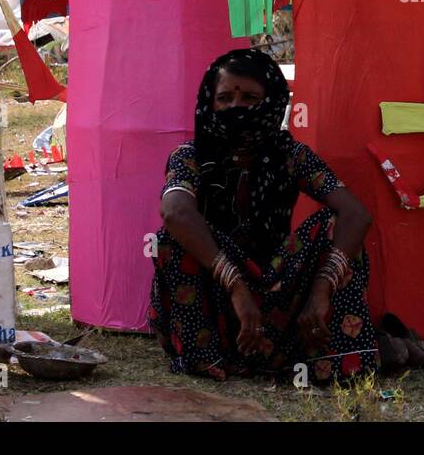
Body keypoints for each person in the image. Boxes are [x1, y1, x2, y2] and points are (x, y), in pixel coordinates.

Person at [149, 48, 380, 383]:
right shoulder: (191, 156)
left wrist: (320, 290)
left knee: (337, 229)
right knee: (171, 239)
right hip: (219, 299)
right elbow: (175, 211)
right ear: (209, 102)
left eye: (249, 98)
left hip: (278, 292)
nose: (235, 107)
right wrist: (236, 286)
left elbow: (355, 214)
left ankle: (334, 356)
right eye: (225, 97)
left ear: (271, 102)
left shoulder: (289, 155)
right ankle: (209, 356)